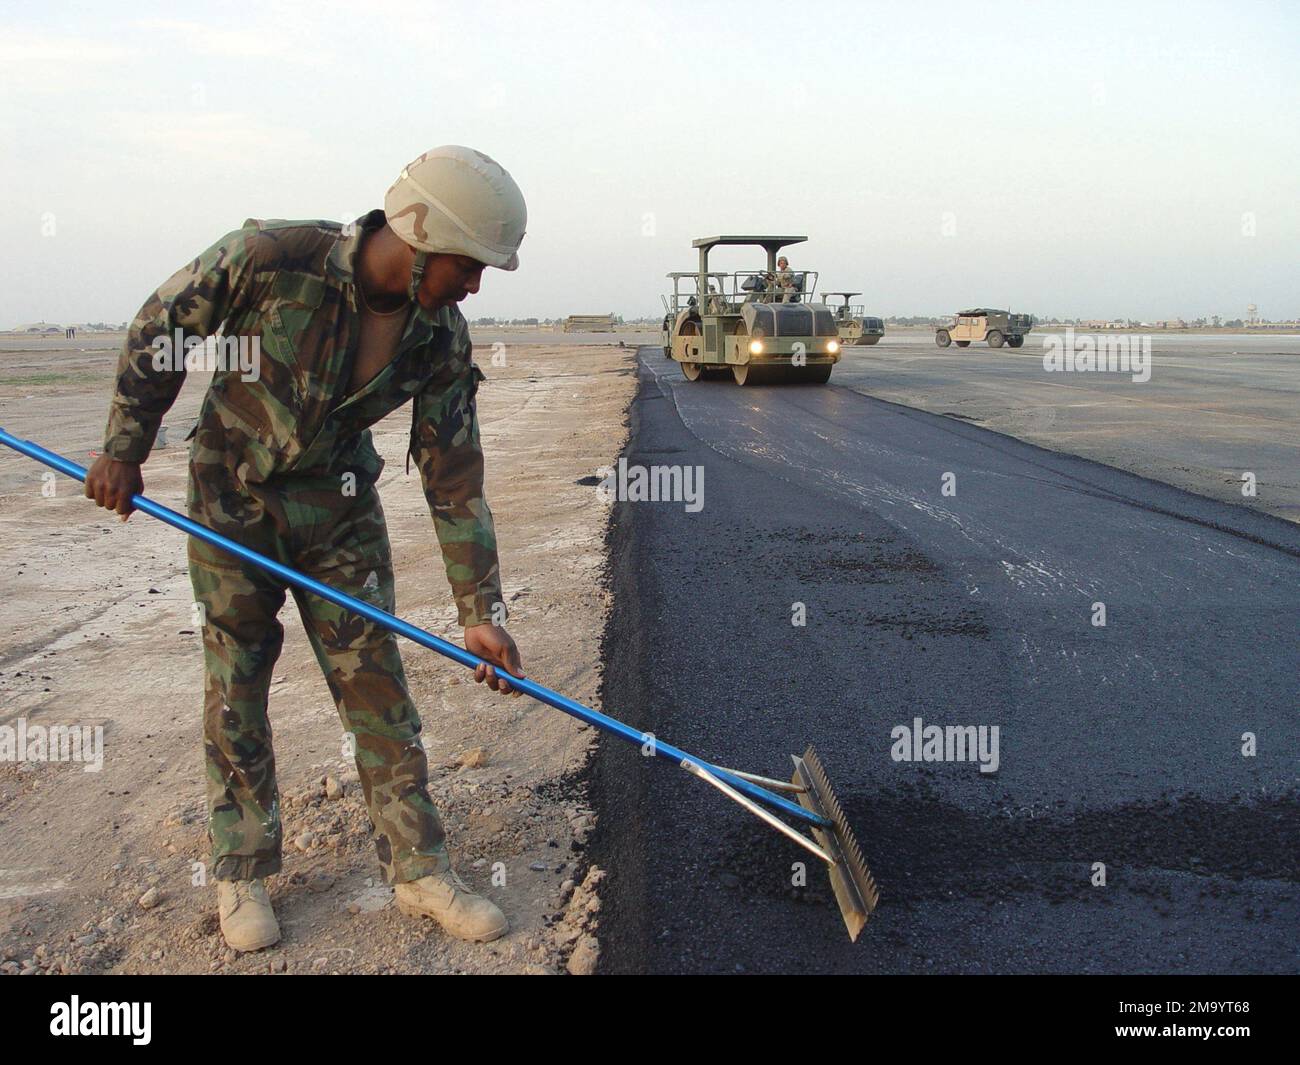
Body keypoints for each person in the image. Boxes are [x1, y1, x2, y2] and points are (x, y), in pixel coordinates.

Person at [84, 146, 528, 952]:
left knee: (376, 686)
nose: (474, 285)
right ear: (424, 240)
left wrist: (481, 610)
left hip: (339, 510)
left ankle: (420, 868)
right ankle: (242, 870)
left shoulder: (440, 338)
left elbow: (454, 474)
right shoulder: (269, 259)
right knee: (237, 677)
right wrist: (124, 446)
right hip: (231, 501)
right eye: (469, 265)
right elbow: (161, 327)